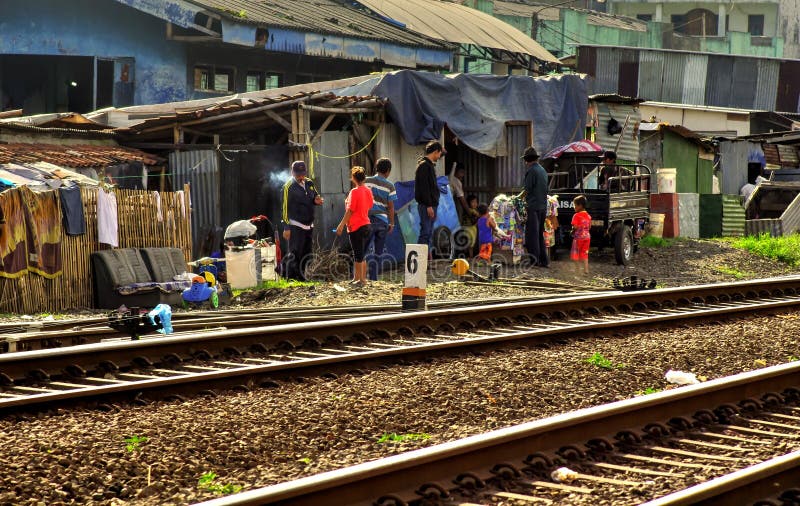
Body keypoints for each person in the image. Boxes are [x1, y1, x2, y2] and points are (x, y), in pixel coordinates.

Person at [281, 160, 323, 281]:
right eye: (298, 174)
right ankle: (290, 278)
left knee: (307, 253)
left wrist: (316, 200)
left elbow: (315, 196)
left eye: (302, 174)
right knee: (295, 253)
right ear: (292, 173)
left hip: (309, 224)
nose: (301, 177)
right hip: (295, 224)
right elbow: (284, 209)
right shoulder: (288, 187)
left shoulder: (309, 182)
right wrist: (286, 227)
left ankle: (302, 276)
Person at [337, 166, 373, 287]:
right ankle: (359, 278)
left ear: (353, 178)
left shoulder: (354, 192)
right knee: (362, 254)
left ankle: (360, 280)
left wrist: (341, 225)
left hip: (356, 227)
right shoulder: (368, 191)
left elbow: (350, 210)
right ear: (364, 178)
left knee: (357, 254)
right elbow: (370, 205)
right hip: (367, 225)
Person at [364, 158, 397, 281]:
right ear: (388, 171)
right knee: (378, 251)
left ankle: (359, 275)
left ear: (376, 168)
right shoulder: (390, 186)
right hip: (382, 222)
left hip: (367, 220)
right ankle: (373, 278)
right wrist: (392, 223)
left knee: (363, 248)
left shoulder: (366, 181)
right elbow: (391, 207)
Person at [522, 146, 549, 268]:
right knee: (539, 234)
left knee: (532, 235)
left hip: (533, 207)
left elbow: (526, 190)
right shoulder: (542, 170)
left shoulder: (531, 171)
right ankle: (544, 261)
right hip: (543, 206)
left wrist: (516, 198)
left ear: (527, 160)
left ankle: (534, 261)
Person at [415, 140, 445, 249]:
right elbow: (424, 187)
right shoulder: (424, 166)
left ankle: (425, 258)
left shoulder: (429, 165)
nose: (440, 156)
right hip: (427, 205)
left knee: (428, 234)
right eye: (439, 153)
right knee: (425, 233)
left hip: (431, 204)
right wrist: (428, 205)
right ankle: (419, 258)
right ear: (436, 151)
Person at [570, 195, 591, 275]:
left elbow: (575, 227)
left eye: (575, 205)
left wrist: (572, 231)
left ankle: (577, 269)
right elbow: (589, 227)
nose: (574, 207)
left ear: (580, 206)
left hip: (578, 238)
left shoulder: (576, 215)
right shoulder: (588, 216)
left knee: (575, 253)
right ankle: (586, 270)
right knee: (585, 253)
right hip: (587, 237)